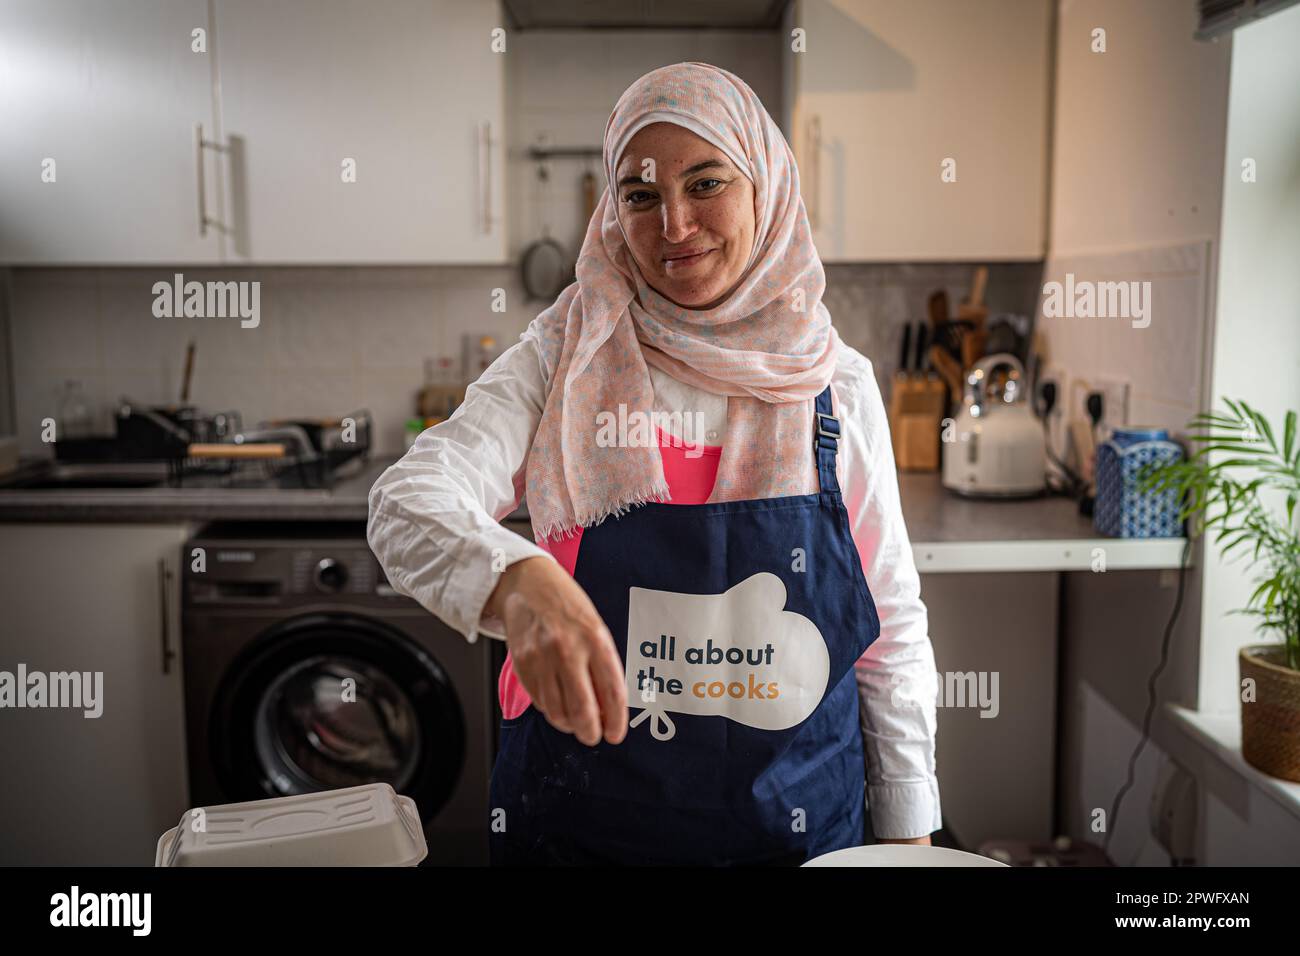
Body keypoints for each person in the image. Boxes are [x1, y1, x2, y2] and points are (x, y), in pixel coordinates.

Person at [368, 61, 940, 865]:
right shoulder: (561, 359)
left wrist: (910, 834)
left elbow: (891, 630)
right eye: (640, 195)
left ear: (764, 187)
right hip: (583, 831)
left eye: (706, 183)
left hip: (797, 831)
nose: (674, 224)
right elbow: (406, 501)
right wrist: (516, 579)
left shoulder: (833, 382)